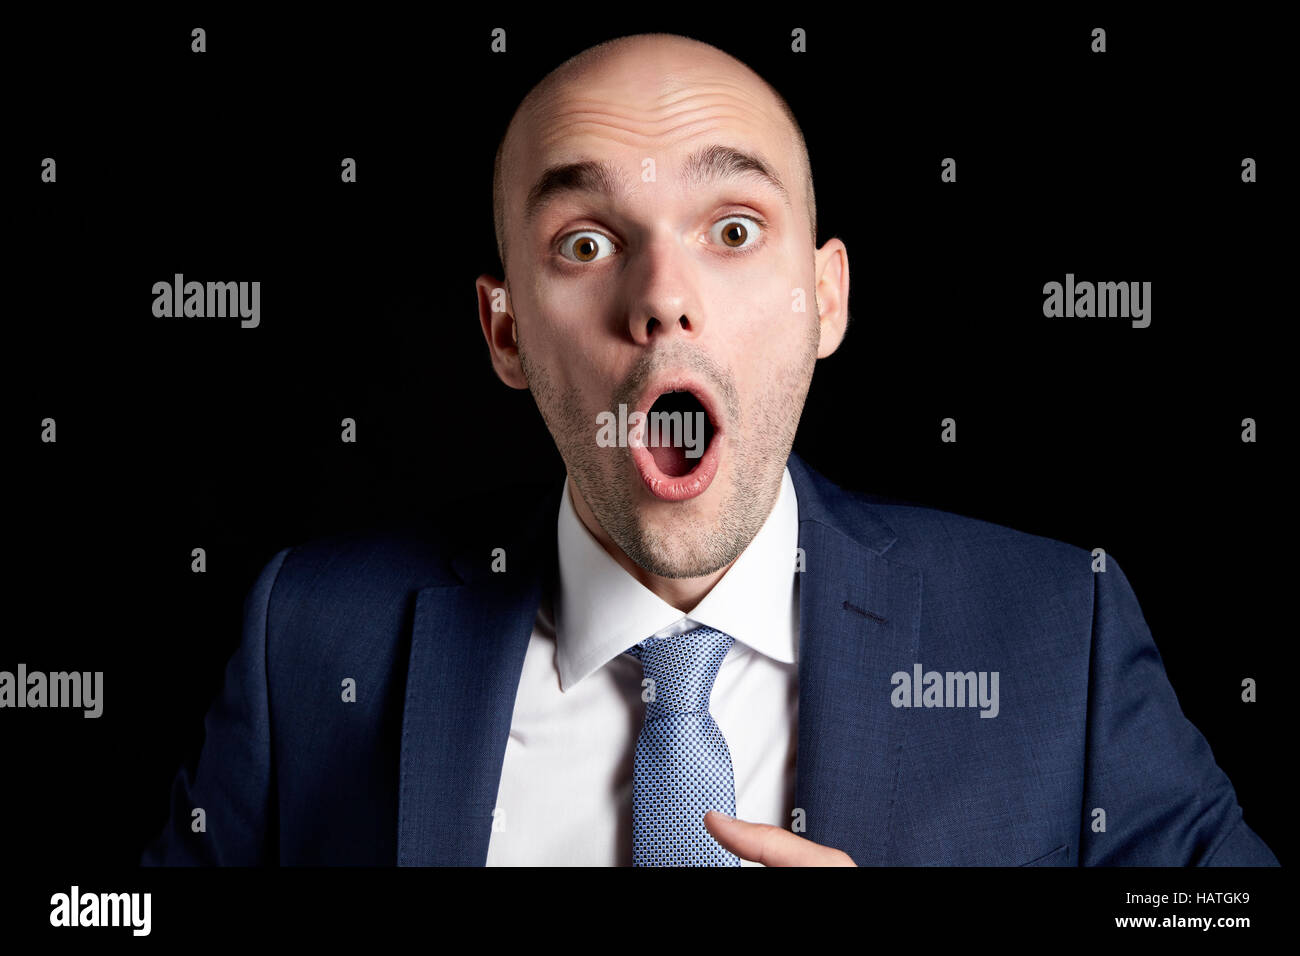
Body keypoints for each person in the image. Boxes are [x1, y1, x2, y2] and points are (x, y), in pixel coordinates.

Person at [142, 32, 1277, 867]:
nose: (662, 298)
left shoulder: (1050, 629)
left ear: (823, 300)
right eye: (586, 241)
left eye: (732, 230)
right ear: (505, 332)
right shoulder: (311, 633)